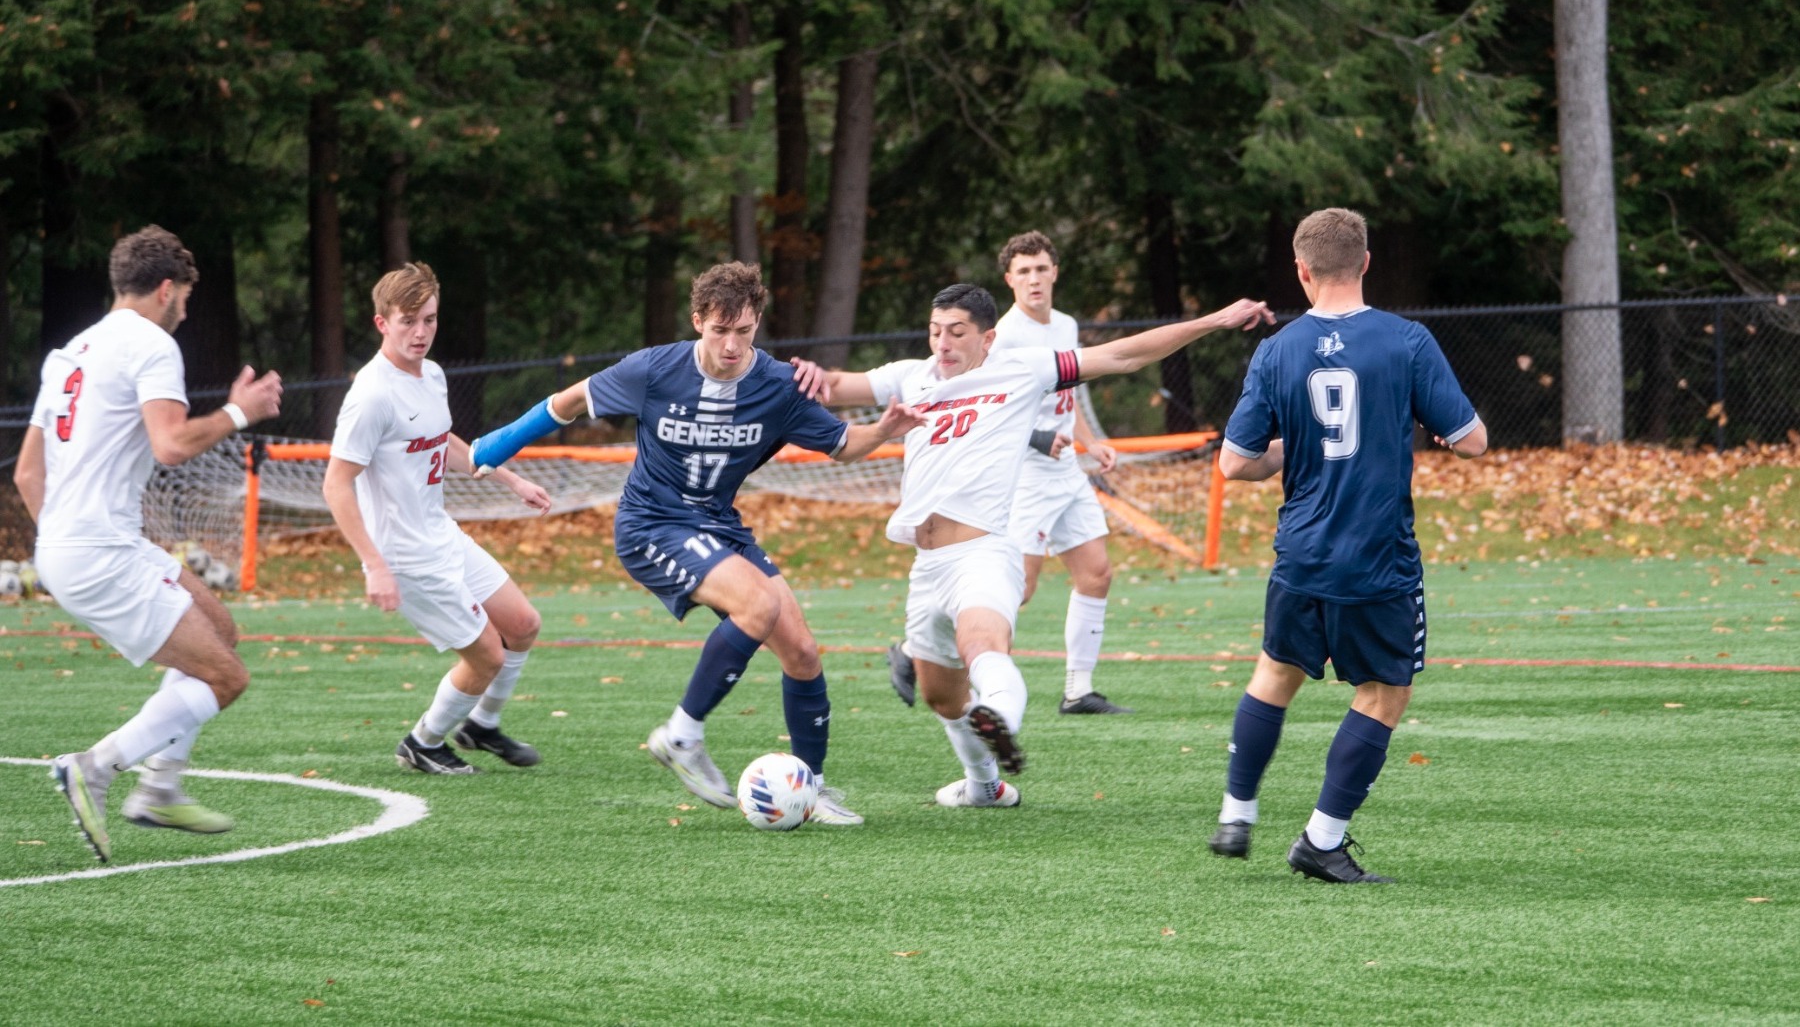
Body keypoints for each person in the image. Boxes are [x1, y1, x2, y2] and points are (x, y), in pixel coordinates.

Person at [470, 262, 923, 825]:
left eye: (744, 332)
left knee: (802, 653)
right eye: (719, 331)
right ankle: (682, 736)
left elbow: (842, 444)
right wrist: (496, 445)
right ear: (697, 321)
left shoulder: (778, 386)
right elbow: (566, 403)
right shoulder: (653, 369)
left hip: (718, 525)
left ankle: (811, 789)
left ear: (758, 323)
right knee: (759, 603)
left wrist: (882, 431)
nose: (732, 346)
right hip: (650, 524)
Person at [822, 284, 1272, 808]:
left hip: (984, 552)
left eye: (957, 332)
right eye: (935, 330)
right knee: (942, 697)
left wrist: (1212, 320)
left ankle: (1002, 719)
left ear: (988, 338)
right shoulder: (909, 377)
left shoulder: (1021, 370)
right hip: (927, 568)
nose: (942, 342)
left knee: (982, 645)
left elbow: (1123, 355)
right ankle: (986, 786)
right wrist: (773, 370)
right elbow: (831, 386)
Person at [1208, 207, 1487, 883]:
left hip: (1301, 552)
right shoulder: (1406, 341)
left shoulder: (1276, 350)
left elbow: (1234, 463)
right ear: (1365, 263)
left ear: (1302, 272)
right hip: (1377, 556)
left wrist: (1287, 450)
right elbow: (1474, 440)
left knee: (1275, 672)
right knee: (1385, 689)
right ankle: (1321, 839)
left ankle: (1236, 811)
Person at [17, 226, 283, 862]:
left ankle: (159, 789)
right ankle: (97, 766)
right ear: (166, 290)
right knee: (226, 677)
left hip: (74, 543)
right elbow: (169, 444)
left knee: (219, 629)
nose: (185, 312)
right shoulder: (151, 343)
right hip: (98, 548)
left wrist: (67, 540)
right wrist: (240, 412)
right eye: (186, 300)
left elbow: (29, 473)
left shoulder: (70, 353)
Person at [885, 231, 1131, 715]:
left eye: (1041, 269)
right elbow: (980, 409)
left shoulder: (1065, 324)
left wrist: (1088, 440)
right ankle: (924, 652)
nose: (1034, 279)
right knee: (1017, 587)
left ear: (1055, 272)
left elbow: (1069, 392)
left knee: (1097, 573)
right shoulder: (1002, 336)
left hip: (1065, 470)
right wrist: (1039, 438)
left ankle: (1078, 690)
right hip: (1019, 478)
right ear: (1009, 280)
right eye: (1023, 272)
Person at [323, 263, 551, 776]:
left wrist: (509, 479)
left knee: (524, 624)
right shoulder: (371, 395)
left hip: (440, 532)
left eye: (429, 319)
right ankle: (422, 742)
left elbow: (437, 440)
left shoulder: (432, 374)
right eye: (408, 321)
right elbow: (336, 484)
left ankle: (481, 726)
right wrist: (374, 565)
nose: (421, 332)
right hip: (404, 555)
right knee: (487, 656)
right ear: (382, 323)